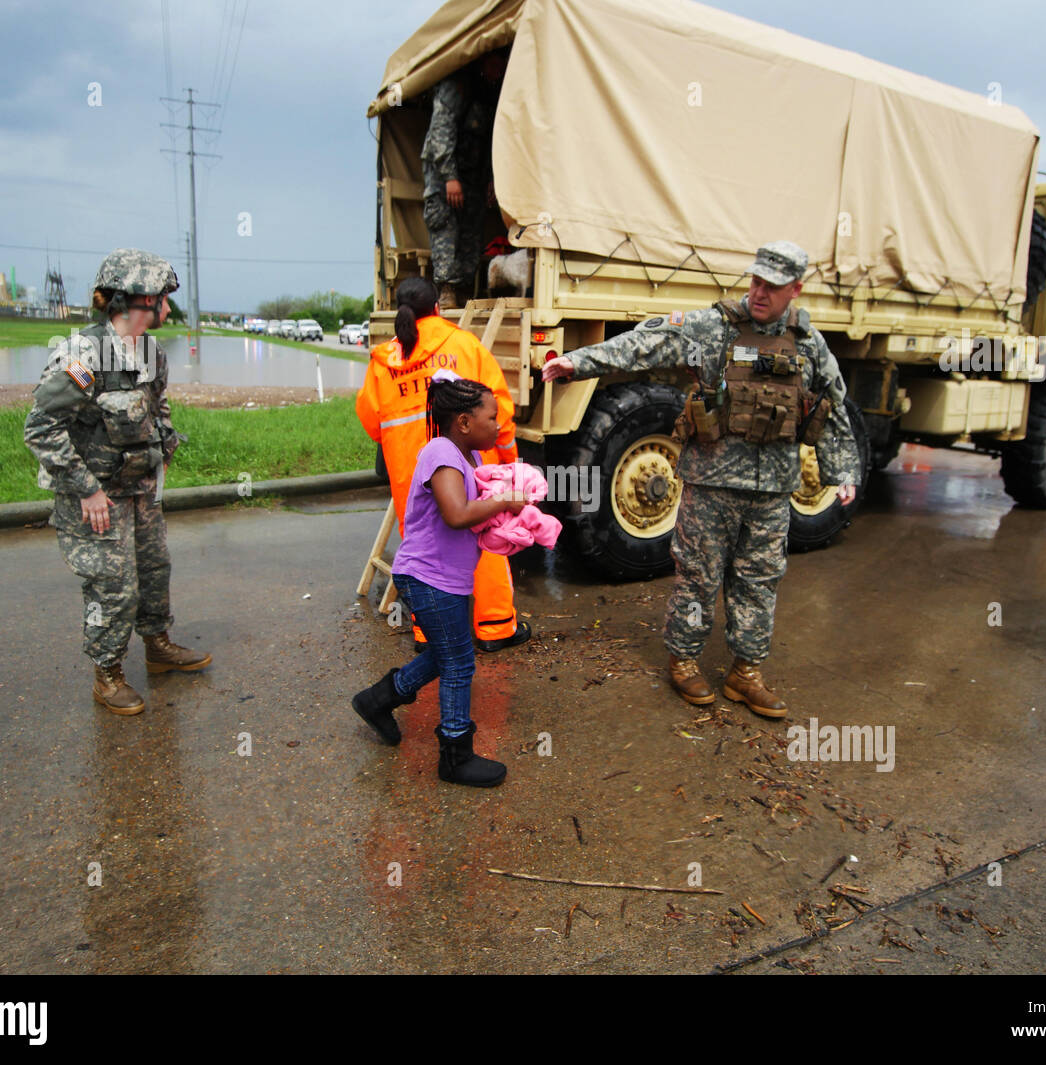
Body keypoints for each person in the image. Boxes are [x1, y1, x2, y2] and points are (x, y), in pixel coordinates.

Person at [542, 241, 861, 719]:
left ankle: (745, 671)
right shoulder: (714, 327)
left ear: (795, 288)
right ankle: (685, 659)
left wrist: (843, 471)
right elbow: (644, 343)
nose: (759, 292)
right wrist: (579, 362)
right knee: (697, 575)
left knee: (760, 579)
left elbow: (831, 405)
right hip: (711, 483)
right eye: (755, 281)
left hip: (773, 489)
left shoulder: (809, 344)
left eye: (772, 287)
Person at [23, 248, 211, 716]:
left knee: (153, 571)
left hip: (140, 488)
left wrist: (164, 444)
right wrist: (86, 488)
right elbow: (41, 426)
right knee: (113, 585)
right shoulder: (84, 355)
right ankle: (107, 674)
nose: (168, 307)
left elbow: (156, 405)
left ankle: (157, 646)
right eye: (164, 298)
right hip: (96, 495)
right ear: (142, 298)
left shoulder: (150, 352)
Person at [351, 371, 525, 786]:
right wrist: (503, 500)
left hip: (449, 579)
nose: (498, 425)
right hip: (429, 579)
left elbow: (473, 519)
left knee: (444, 654)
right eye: (491, 417)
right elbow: (457, 514)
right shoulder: (441, 453)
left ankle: (377, 700)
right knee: (459, 663)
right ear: (464, 422)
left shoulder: (471, 458)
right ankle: (454, 756)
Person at [356, 276, 530, 652]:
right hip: (468, 466)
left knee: (423, 550)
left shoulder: (385, 359)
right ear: (436, 308)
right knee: (484, 539)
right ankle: (496, 627)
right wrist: (509, 461)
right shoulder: (464, 346)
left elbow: (372, 422)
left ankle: (428, 635)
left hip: (410, 472)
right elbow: (499, 412)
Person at [420, 50, 507, 309]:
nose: (498, 71)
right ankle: (446, 290)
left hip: (475, 177)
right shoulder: (457, 87)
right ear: (483, 61)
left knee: (472, 229)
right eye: (494, 64)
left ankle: (466, 290)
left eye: (501, 66)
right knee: (445, 225)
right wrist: (449, 177)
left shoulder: (494, 93)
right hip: (444, 174)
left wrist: (493, 179)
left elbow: (498, 139)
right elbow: (440, 132)